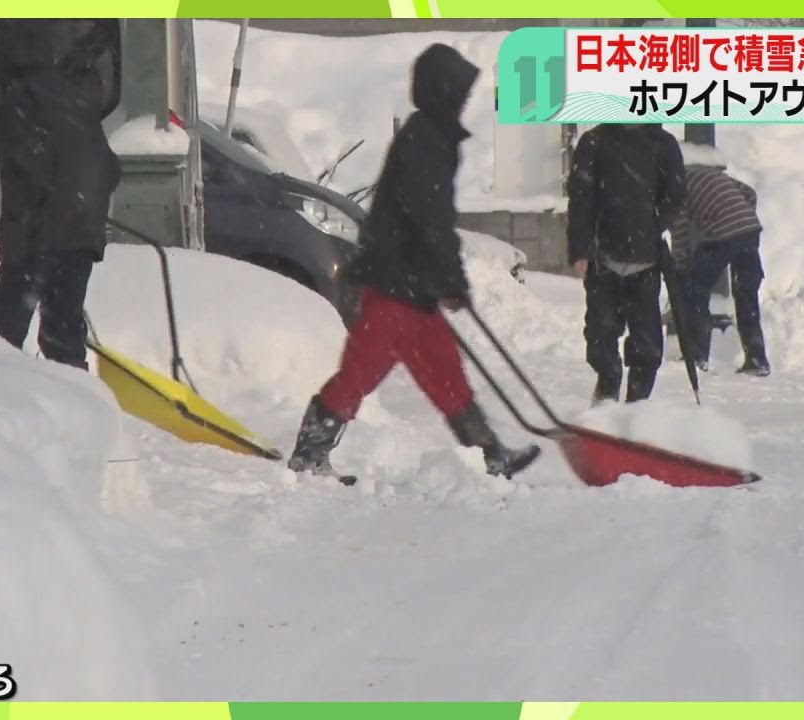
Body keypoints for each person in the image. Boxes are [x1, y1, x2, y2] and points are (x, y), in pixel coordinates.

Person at [287, 43, 541, 482]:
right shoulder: (426, 141)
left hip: (412, 287)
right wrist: (452, 278)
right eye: (460, 92)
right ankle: (309, 454)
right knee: (359, 374)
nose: (464, 100)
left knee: (446, 373)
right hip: (393, 284)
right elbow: (431, 218)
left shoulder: (431, 136)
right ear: (444, 92)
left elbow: (430, 219)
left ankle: (489, 454)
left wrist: (442, 279)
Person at [0, 19, 122, 371]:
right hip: (79, 229)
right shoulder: (77, 95)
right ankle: (73, 396)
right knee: (63, 330)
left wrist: (14, 240)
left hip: (42, 231)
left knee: (2, 336)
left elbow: (22, 181)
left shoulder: (24, 101)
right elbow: (109, 167)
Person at [566, 123, 687, 405]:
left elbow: (676, 193)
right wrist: (580, 249)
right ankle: (607, 390)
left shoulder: (663, 143)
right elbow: (580, 198)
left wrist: (653, 222)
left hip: (645, 260)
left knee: (647, 346)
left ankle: (637, 405)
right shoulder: (594, 142)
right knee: (600, 336)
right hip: (603, 259)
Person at [669, 161, 770, 376]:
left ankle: (696, 355)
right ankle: (757, 358)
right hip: (749, 229)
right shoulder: (705, 173)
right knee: (746, 294)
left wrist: (680, 264)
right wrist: (739, 217)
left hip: (721, 235)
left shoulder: (675, 187)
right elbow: (749, 193)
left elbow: (680, 229)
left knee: (694, 290)